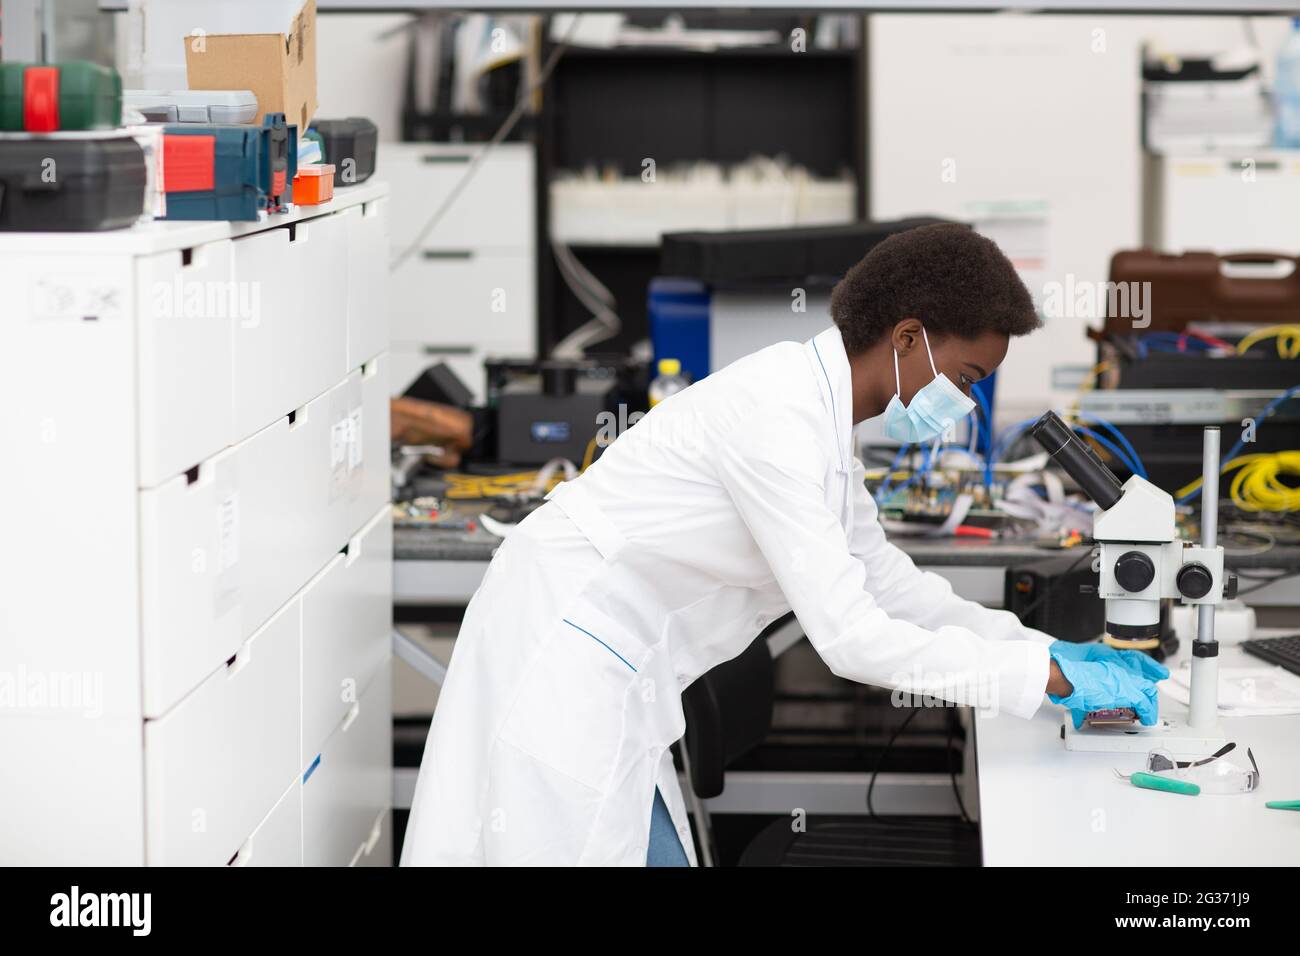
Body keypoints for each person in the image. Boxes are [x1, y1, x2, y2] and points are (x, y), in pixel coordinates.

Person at [400, 223, 1166, 867]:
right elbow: (854, 641)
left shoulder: (820, 420)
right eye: (966, 379)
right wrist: (1041, 678)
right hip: (559, 663)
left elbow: (889, 584)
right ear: (907, 338)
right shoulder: (778, 421)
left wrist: (1040, 649)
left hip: (616, 672)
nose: (965, 404)